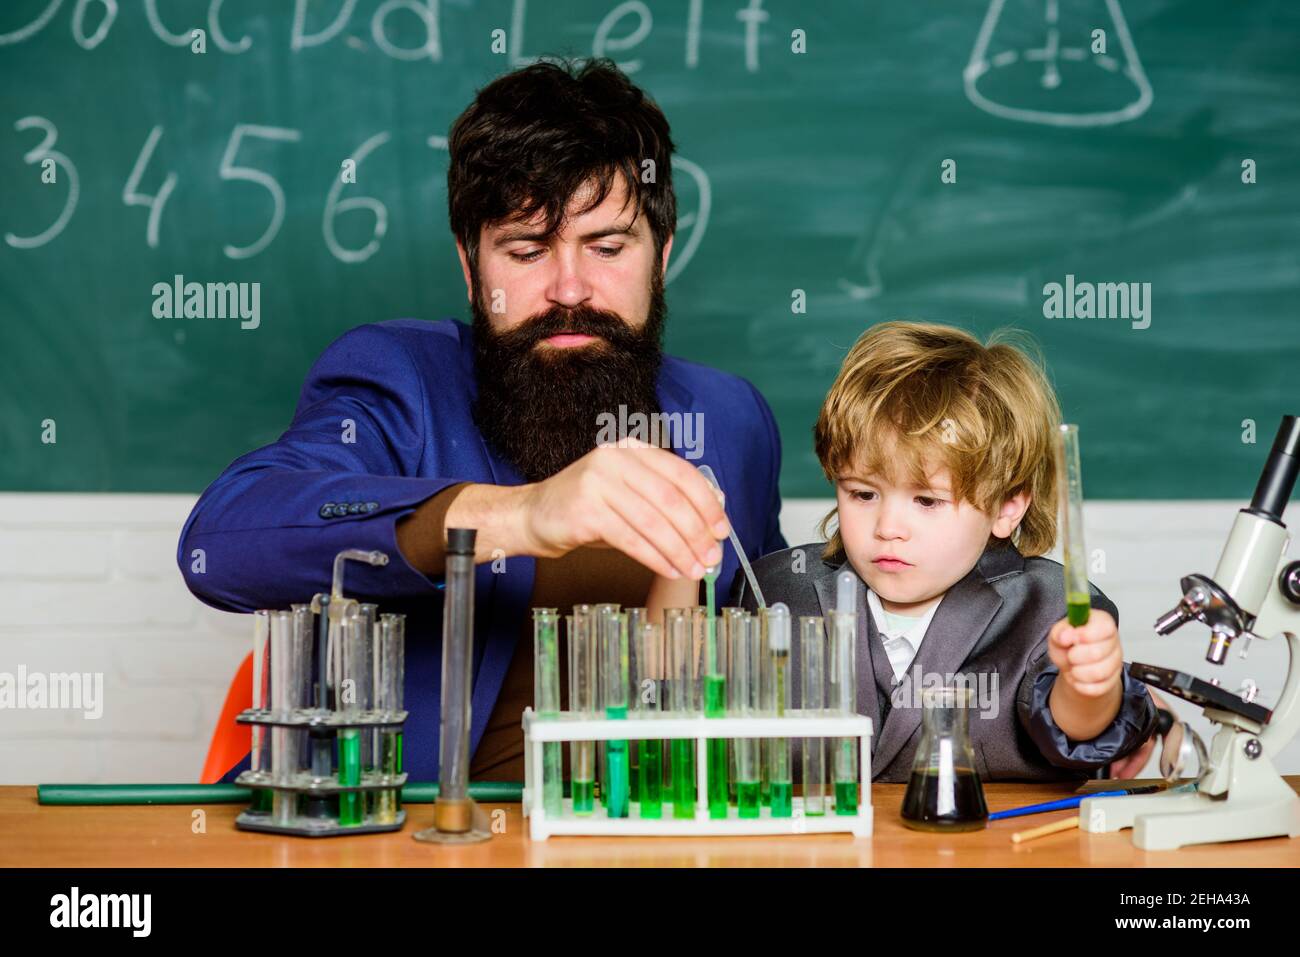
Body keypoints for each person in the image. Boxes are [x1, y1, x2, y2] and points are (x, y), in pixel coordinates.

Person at [180, 58, 786, 784]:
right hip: (410, 842)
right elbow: (221, 541)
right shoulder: (398, 378)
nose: (570, 289)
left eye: (607, 247)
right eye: (526, 250)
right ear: (472, 269)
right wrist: (522, 515)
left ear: (660, 260)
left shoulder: (731, 417)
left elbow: (779, 645)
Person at [650, 320, 1158, 782]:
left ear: (1006, 507)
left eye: (927, 500)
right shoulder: (778, 589)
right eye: (863, 493)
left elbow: (1073, 734)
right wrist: (679, 553)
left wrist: (1089, 689)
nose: (888, 527)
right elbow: (673, 710)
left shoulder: (1044, 608)